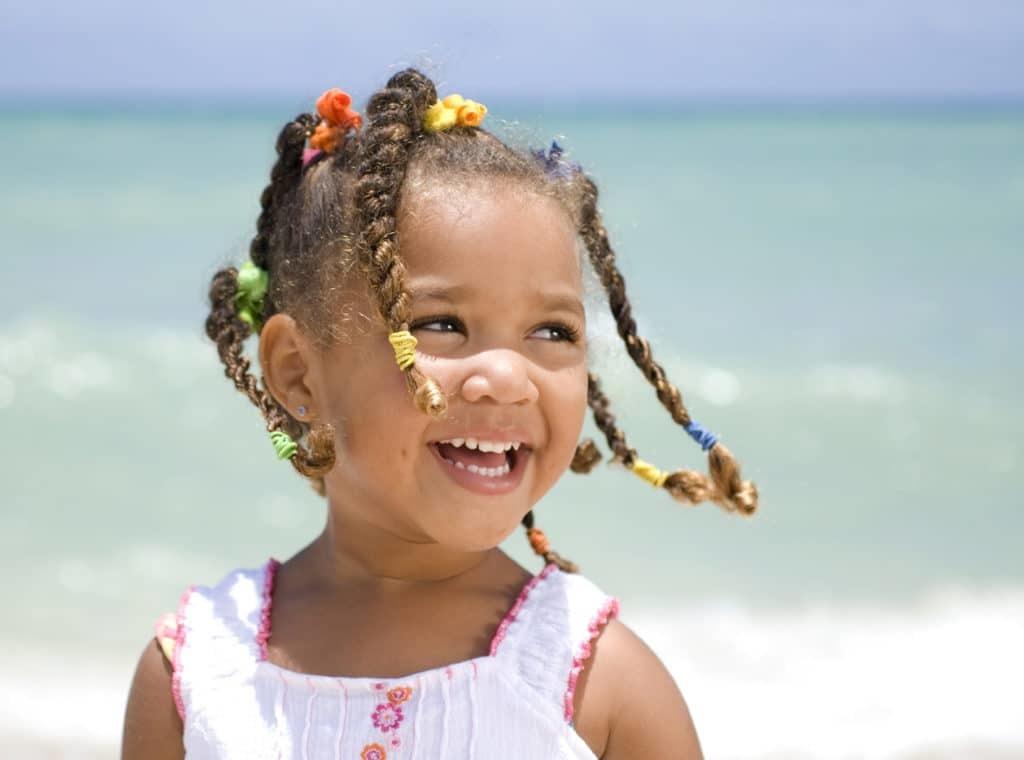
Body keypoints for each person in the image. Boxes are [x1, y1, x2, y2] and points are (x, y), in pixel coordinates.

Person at [121, 68, 757, 759]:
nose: (508, 378)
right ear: (297, 371)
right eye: (442, 323)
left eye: (552, 332)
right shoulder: (197, 672)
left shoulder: (598, 684)